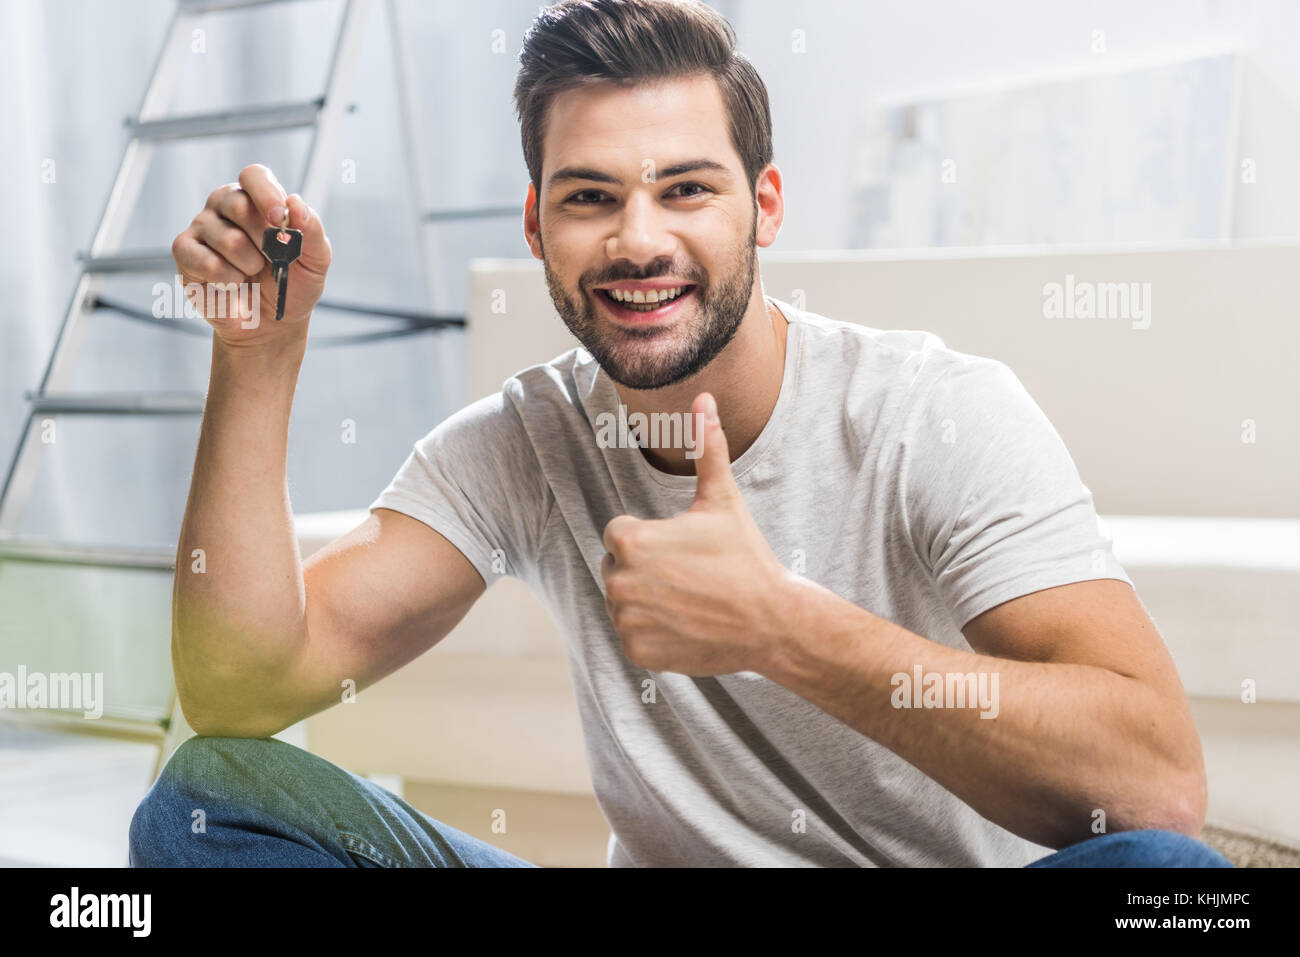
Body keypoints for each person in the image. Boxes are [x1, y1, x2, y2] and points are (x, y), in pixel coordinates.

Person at [130, 0, 1230, 868]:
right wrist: (256, 360)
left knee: (1164, 883)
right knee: (209, 806)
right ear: (536, 227)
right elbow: (243, 690)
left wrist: (780, 626)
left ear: (764, 205)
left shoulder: (929, 413)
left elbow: (1154, 785)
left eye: (686, 189)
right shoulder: (525, 440)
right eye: (589, 198)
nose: (636, 239)